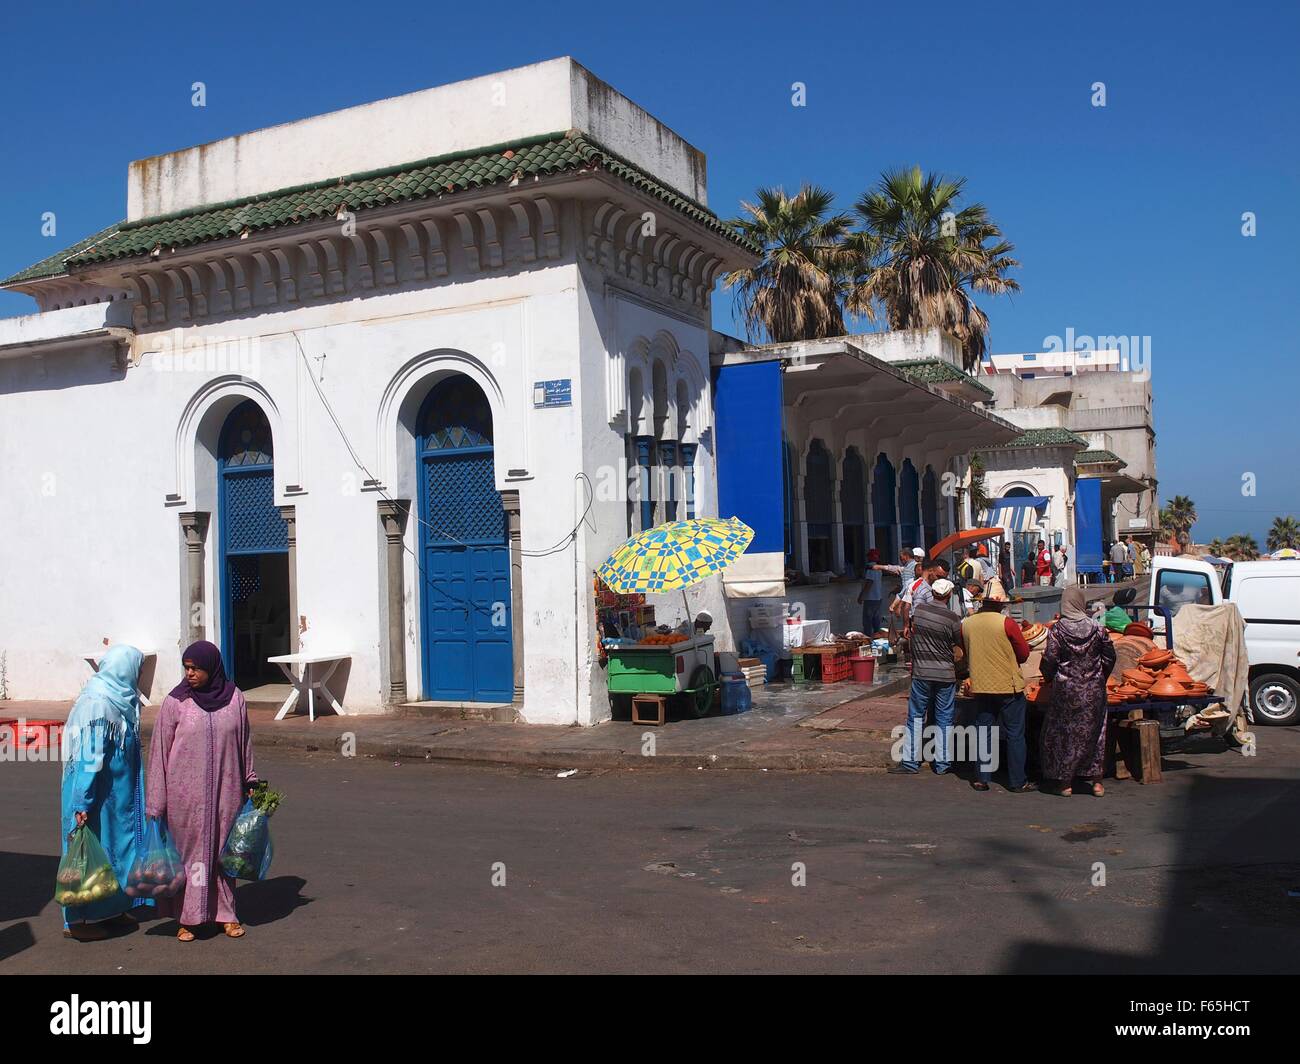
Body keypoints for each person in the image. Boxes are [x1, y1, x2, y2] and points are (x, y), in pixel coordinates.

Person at [147, 640, 258, 942]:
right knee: (192, 859)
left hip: (227, 792)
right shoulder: (176, 702)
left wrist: (250, 781)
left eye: (195, 668)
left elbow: (243, 742)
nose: (190, 673)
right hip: (186, 798)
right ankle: (188, 919)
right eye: (186, 668)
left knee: (225, 855)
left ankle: (226, 915)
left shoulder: (235, 699)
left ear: (212, 667)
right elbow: (159, 751)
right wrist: (156, 800)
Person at [59, 645, 152, 941]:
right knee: (87, 854)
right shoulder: (99, 703)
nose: (138, 676)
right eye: (136, 670)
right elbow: (88, 758)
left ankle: (111, 908)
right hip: (94, 795)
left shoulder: (119, 697)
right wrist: (82, 802)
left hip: (114, 795)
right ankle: (77, 921)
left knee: (115, 850)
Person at [1039, 587, 1117, 797]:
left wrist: (1048, 678)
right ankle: (1097, 783)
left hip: (1066, 690)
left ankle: (1065, 784)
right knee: (1096, 733)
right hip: (1093, 690)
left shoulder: (1058, 630)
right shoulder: (1097, 628)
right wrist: (1100, 677)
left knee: (1065, 734)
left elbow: (1049, 659)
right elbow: (1110, 656)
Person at [962, 578, 1035, 792]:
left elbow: (966, 652)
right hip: (1007, 685)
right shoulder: (1007, 623)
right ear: (1000, 604)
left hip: (981, 684)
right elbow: (1023, 653)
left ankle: (981, 778)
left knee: (983, 730)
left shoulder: (967, 623)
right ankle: (1017, 781)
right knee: (1014, 734)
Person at [892, 578, 965, 775]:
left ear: (933, 593)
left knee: (915, 716)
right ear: (948, 595)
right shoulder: (952, 618)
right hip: (945, 674)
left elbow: (912, 631)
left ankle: (910, 762)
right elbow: (960, 645)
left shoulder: (920, 612)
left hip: (922, 673)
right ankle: (942, 764)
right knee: (944, 717)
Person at [856, 548, 885, 636]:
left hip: (870, 598)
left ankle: (868, 640)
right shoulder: (879, 568)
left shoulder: (870, 568)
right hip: (878, 598)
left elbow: (869, 583)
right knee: (876, 622)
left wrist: (861, 596)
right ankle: (877, 639)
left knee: (867, 622)